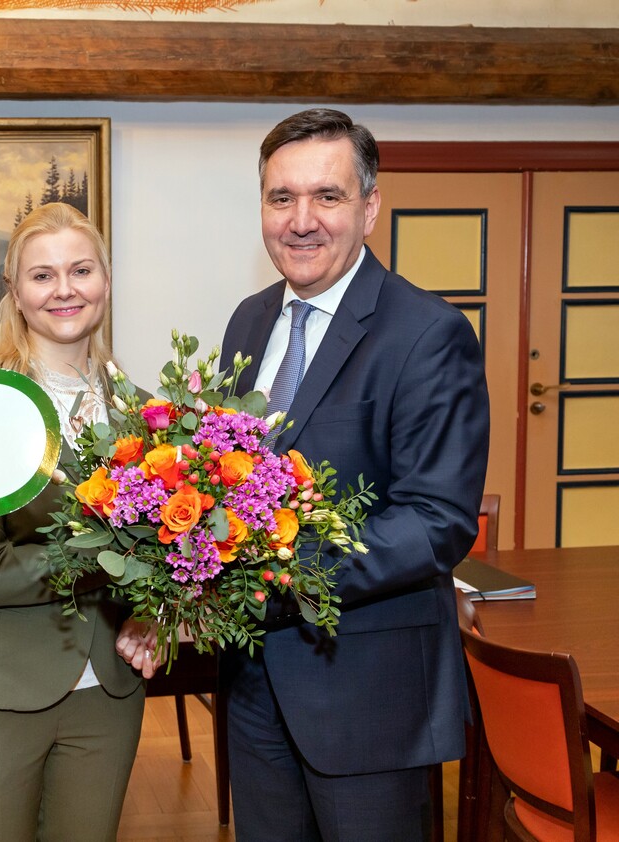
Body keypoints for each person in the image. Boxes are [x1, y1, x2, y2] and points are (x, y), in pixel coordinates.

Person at [218, 108, 489, 841]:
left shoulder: (427, 334)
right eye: (281, 199)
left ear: (369, 206)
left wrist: (281, 574)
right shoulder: (247, 323)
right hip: (252, 690)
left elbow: (436, 523)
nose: (301, 221)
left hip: (370, 700)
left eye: (327, 197)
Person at [0, 202, 152, 842]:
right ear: (15, 292)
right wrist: (115, 555)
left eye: (81, 270)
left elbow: (168, 553)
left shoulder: (141, 408)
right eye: (42, 275)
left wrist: (158, 614)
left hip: (107, 697)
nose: (65, 289)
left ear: (104, 279)